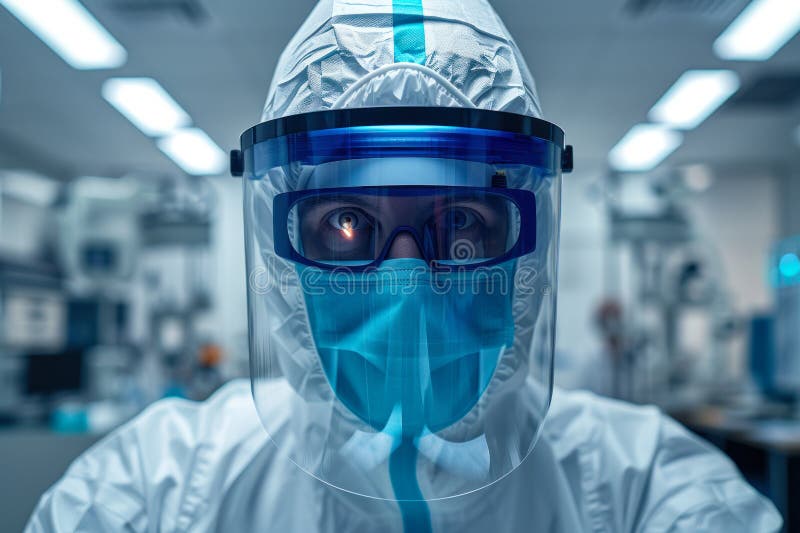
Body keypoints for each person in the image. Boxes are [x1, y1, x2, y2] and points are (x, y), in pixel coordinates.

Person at [26, 1, 781, 531]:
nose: (409, 280)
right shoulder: (152, 492)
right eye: (346, 224)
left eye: (460, 225)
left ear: (530, 241)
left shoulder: (646, 486)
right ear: (278, 245)